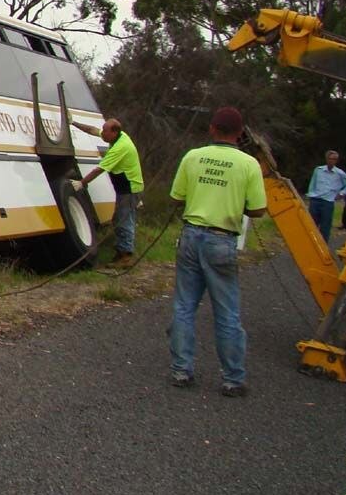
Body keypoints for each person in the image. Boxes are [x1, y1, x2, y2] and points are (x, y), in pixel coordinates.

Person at [167, 106, 267, 397]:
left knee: (184, 306)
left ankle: (181, 370)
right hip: (222, 239)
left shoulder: (193, 157)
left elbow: (177, 196)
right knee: (227, 312)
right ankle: (233, 379)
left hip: (190, 234)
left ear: (212, 128)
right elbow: (258, 209)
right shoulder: (248, 164)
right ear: (240, 133)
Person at [71, 118, 144, 267]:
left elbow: (100, 169)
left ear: (114, 131)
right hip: (124, 188)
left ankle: (126, 256)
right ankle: (121, 252)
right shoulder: (116, 137)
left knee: (124, 220)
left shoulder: (121, 147)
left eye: (105, 131)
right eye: (103, 130)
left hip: (129, 189)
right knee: (119, 219)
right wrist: (74, 123)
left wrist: (81, 183)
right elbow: (92, 130)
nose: (102, 134)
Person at [306, 150, 346, 242]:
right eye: (330, 159)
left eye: (334, 159)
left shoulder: (340, 173)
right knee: (311, 224)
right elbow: (312, 183)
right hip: (316, 200)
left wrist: (341, 194)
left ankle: (323, 246)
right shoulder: (318, 170)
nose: (332, 161)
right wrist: (310, 194)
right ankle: (310, 243)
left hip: (328, 201)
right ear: (326, 159)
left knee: (325, 226)